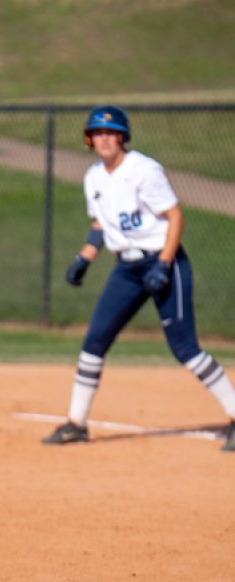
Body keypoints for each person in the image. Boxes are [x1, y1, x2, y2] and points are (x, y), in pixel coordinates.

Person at [43, 105, 235, 452]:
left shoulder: (144, 171)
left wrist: (163, 264)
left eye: (111, 132)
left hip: (164, 260)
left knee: (185, 348)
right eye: (97, 133)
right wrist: (84, 258)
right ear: (89, 139)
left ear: (122, 137)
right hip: (127, 269)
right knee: (94, 342)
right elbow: (101, 223)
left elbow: (175, 217)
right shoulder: (94, 178)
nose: (104, 138)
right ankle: (76, 423)